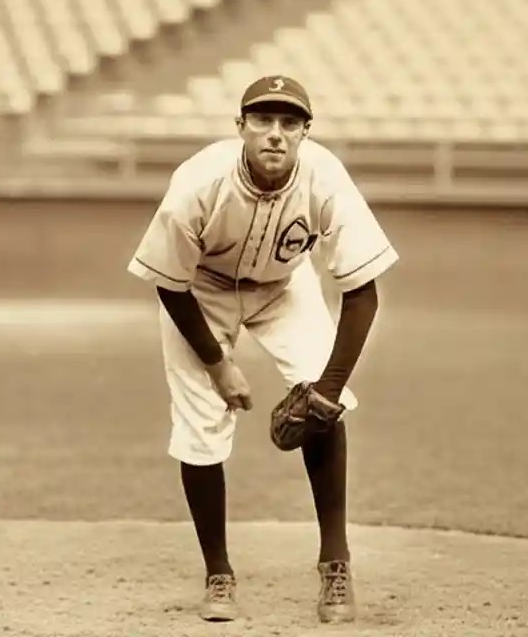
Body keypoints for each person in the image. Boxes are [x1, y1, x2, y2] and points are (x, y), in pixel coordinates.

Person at [126, 75, 398, 624]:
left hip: (283, 285)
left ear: (305, 132)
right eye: (263, 120)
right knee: (201, 424)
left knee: (329, 408)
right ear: (241, 127)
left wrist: (326, 390)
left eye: (289, 122)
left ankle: (335, 565)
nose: (275, 133)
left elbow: (362, 291)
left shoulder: (326, 177)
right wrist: (219, 365)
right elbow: (170, 283)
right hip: (200, 289)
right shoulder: (198, 182)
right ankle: (218, 573)